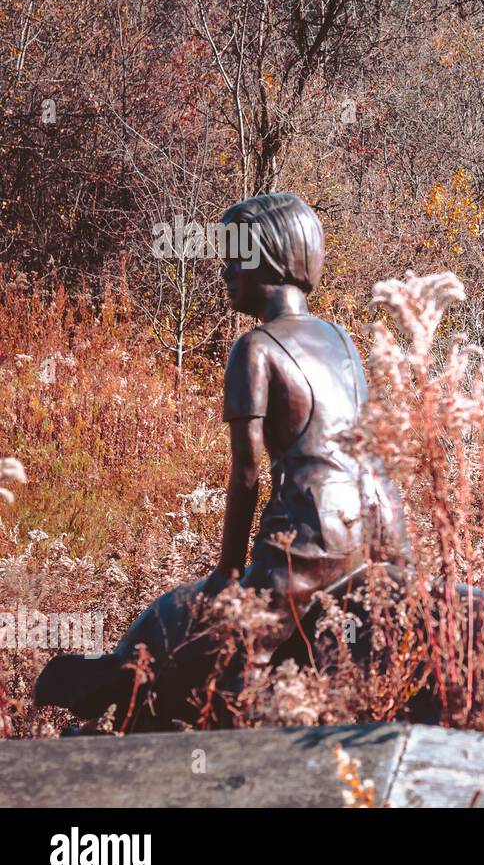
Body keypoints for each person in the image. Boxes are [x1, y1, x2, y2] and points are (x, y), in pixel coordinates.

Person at [35, 194, 408, 728]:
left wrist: (229, 570)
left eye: (236, 252)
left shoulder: (255, 349)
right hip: (369, 532)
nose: (224, 268)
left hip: (304, 542)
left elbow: (248, 473)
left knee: (236, 657)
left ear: (272, 257)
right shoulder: (342, 340)